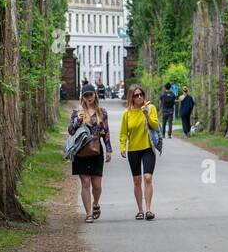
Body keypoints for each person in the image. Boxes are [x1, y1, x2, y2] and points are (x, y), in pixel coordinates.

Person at [69, 84, 112, 222]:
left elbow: (106, 132)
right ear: (82, 97)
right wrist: (78, 121)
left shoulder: (102, 112)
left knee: (97, 185)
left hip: (96, 150)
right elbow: (70, 131)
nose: (89, 98)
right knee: (85, 183)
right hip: (81, 151)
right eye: (86, 95)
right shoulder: (77, 112)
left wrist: (108, 150)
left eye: (91, 95)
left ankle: (96, 204)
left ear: (95, 95)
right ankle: (88, 213)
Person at [119, 84, 161, 220]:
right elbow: (123, 133)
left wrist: (147, 115)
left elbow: (156, 126)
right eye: (136, 95)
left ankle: (148, 210)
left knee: (148, 178)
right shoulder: (127, 113)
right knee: (137, 181)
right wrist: (122, 147)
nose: (139, 97)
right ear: (131, 97)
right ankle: (140, 210)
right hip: (133, 150)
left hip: (148, 148)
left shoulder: (150, 108)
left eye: (141, 94)